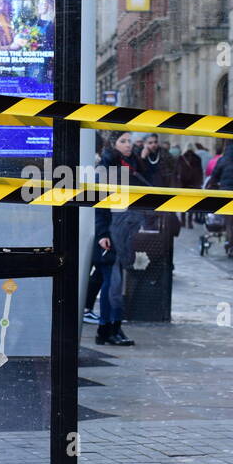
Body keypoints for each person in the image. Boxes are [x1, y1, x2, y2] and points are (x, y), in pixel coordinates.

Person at [93, 132, 145, 346]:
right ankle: (108, 328)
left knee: (115, 283)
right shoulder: (107, 167)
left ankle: (111, 328)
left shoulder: (127, 166)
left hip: (122, 229)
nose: (128, 145)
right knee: (112, 283)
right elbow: (99, 203)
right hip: (110, 231)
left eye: (129, 141)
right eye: (123, 141)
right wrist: (103, 233)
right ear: (113, 144)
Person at [206, 137, 233, 258]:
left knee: (229, 221)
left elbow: (214, 175)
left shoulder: (223, 159)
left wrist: (212, 184)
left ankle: (230, 245)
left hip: (226, 193)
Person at [176, 143, 205, 228]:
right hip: (194, 183)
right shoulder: (197, 158)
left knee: (183, 203)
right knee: (192, 203)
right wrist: (200, 183)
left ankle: (183, 221)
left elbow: (176, 171)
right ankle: (190, 222)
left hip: (183, 183)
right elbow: (200, 172)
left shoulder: (181, 158)